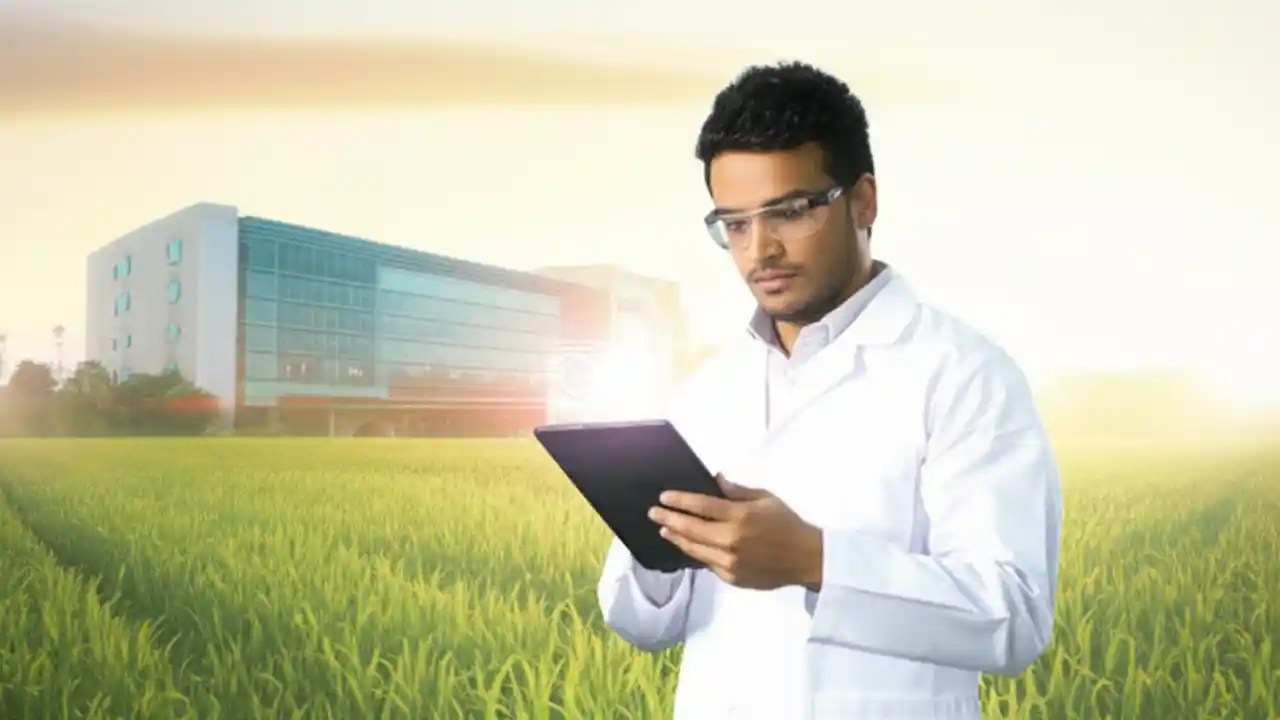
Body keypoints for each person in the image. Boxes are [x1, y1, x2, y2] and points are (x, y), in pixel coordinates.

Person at [595, 61, 1063, 720]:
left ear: (863, 201)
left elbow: (1012, 615)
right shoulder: (707, 390)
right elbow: (642, 625)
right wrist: (660, 549)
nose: (761, 250)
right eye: (734, 224)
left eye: (789, 212)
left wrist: (815, 560)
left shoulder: (964, 374)